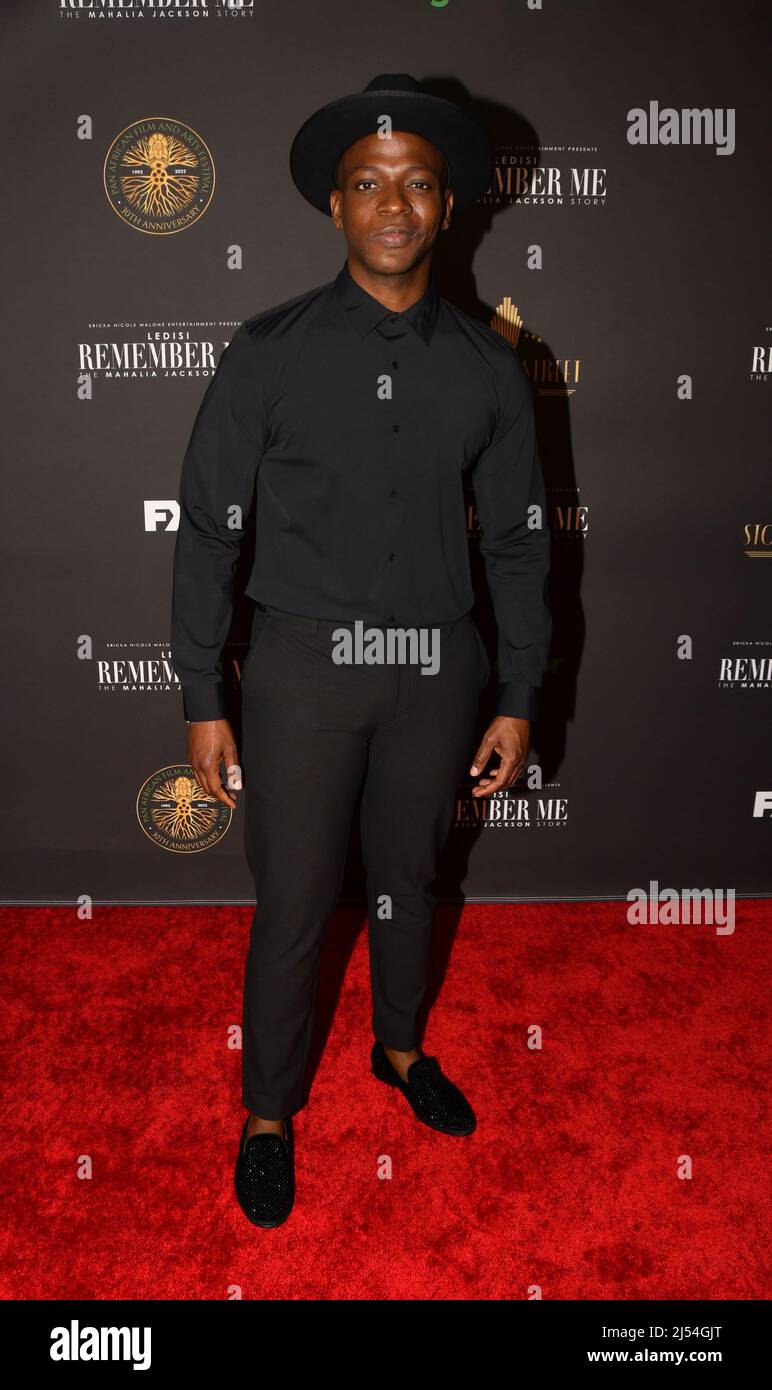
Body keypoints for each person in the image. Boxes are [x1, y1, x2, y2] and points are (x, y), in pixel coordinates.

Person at [170, 73, 551, 1229]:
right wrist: (201, 693)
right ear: (334, 208)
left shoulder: (490, 368)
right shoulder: (266, 353)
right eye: (368, 186)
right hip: (300, 675)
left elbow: (524, 548)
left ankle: (396, 1050)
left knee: (411, 881)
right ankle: (269, 1114)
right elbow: (206, 532)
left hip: (439, 674)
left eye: (417, 185)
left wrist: (519, 689)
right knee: (293, 899)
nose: (394, 205)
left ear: (448, 209)